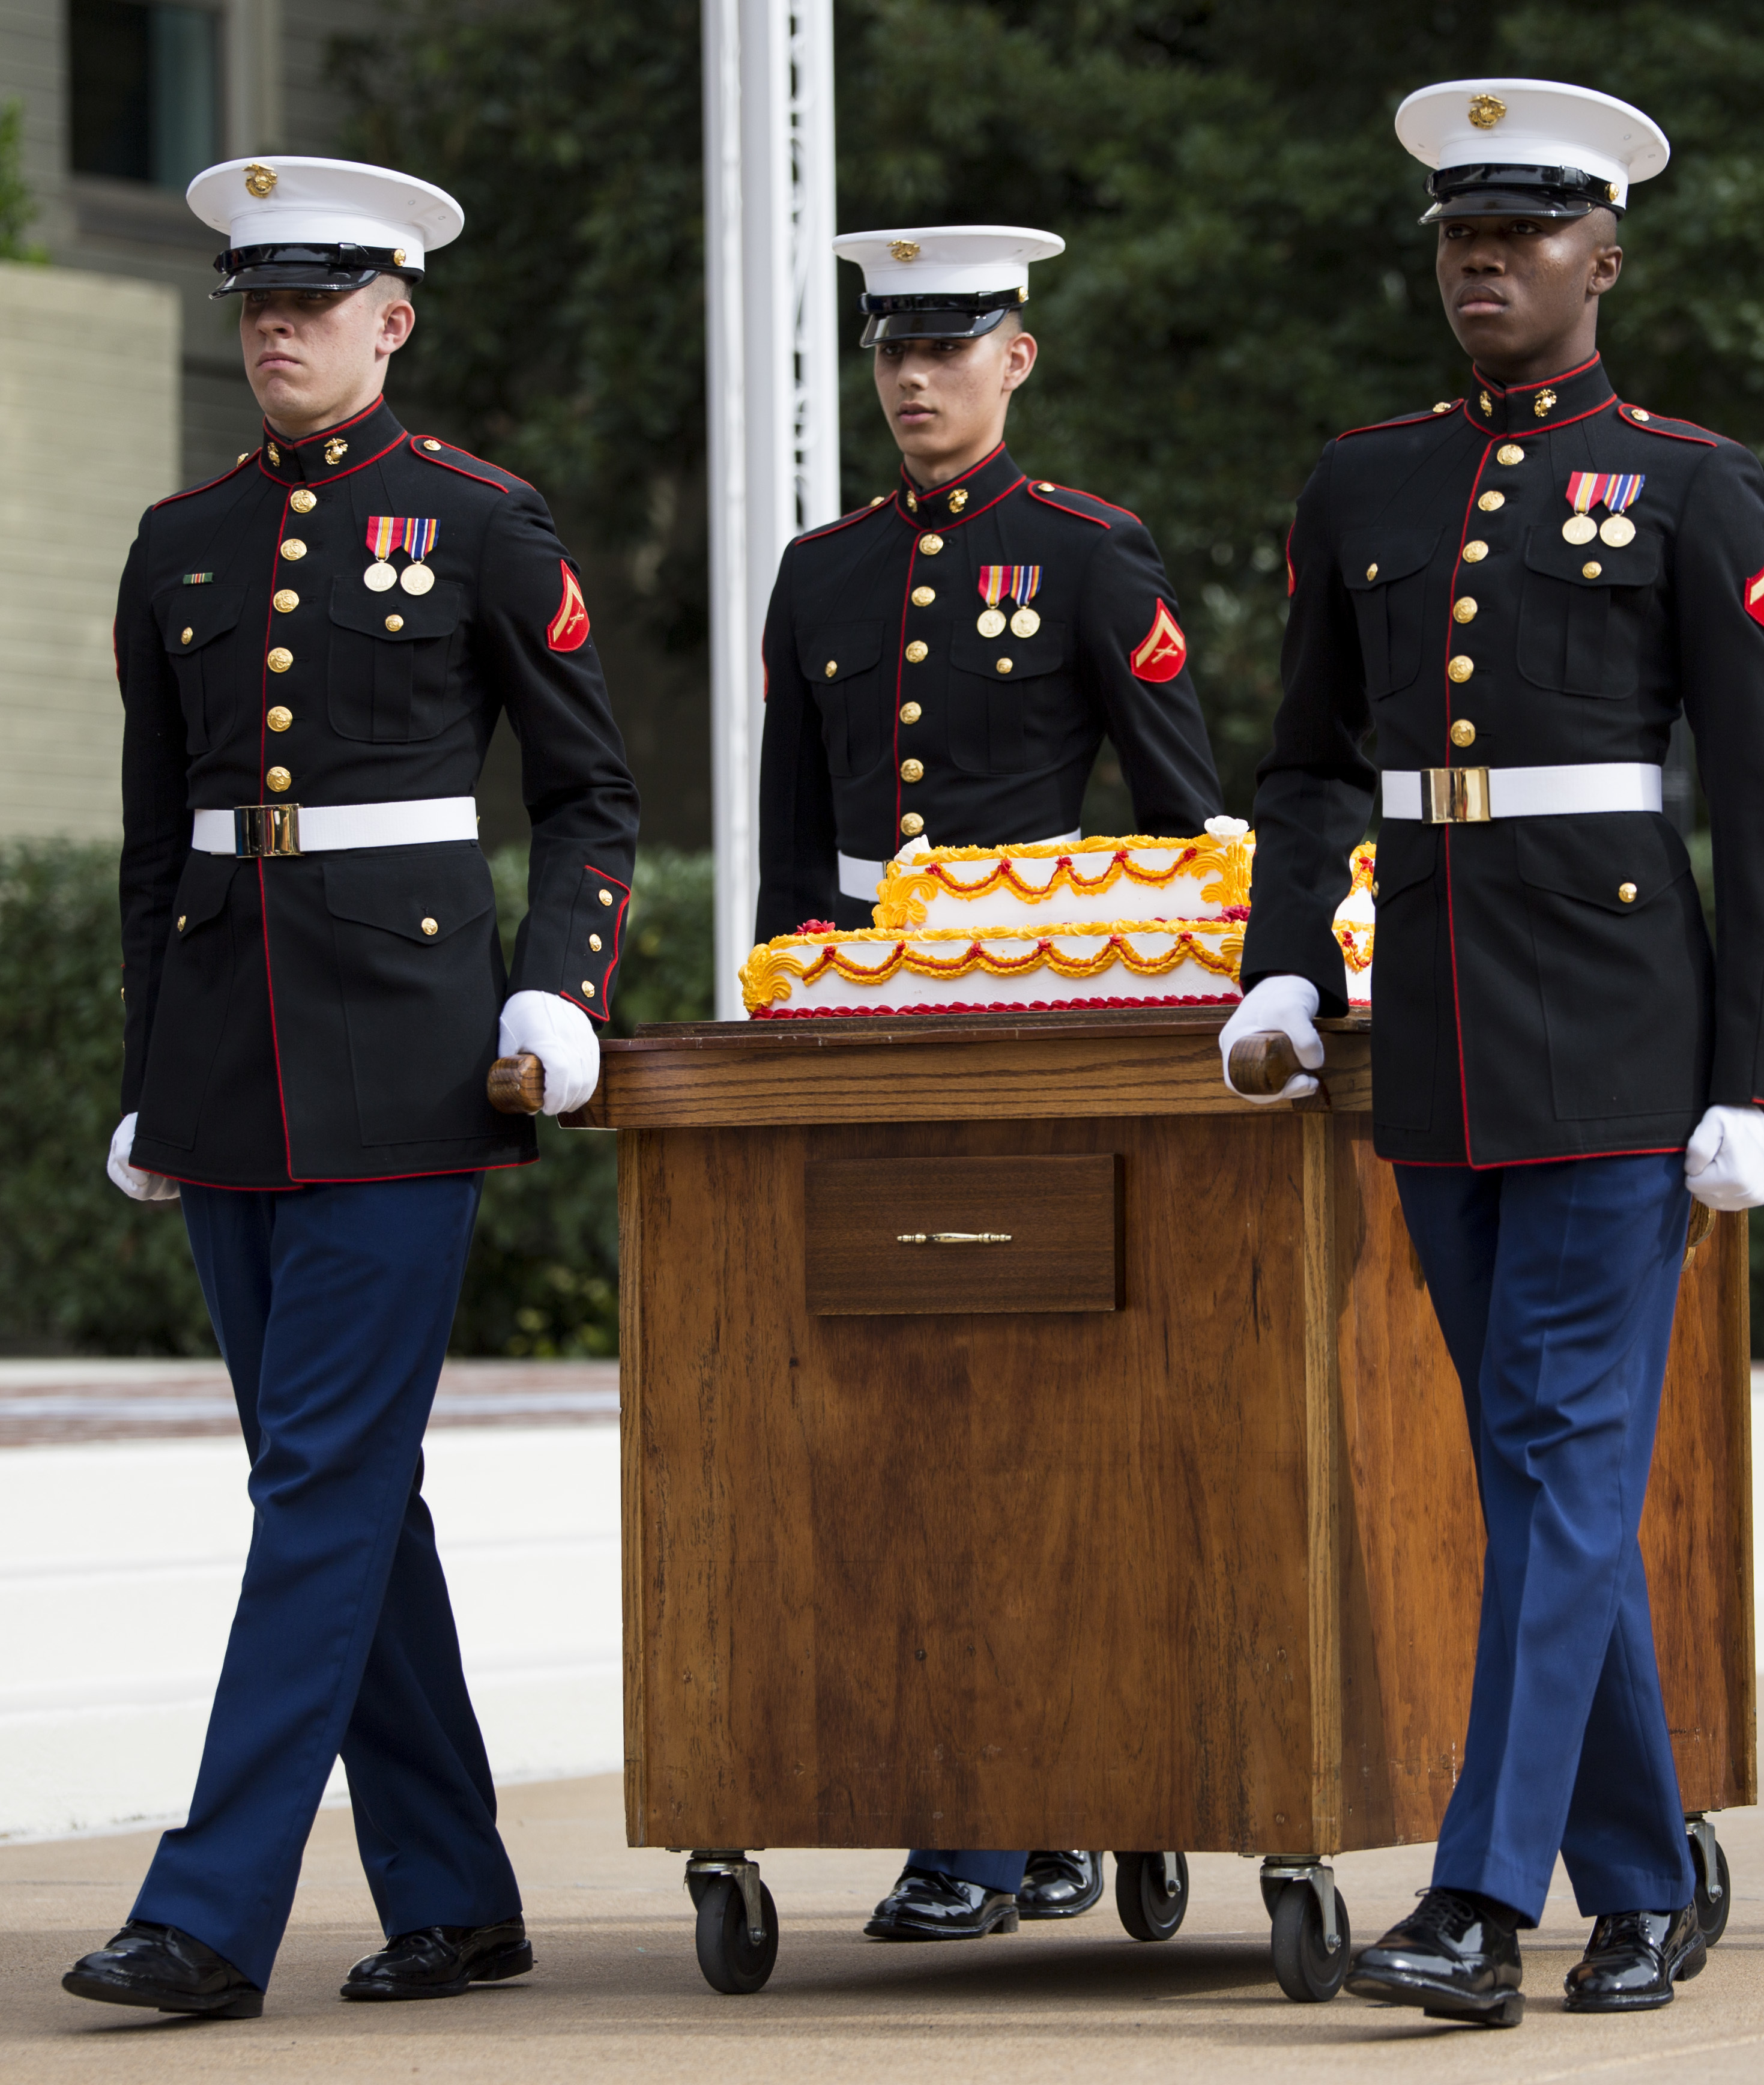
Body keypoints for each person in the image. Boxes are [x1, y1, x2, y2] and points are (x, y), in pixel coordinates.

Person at [1222, 80, 1764, 2026]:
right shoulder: (1363, 482)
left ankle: (1483, 1901)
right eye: (1460, 234)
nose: (1484, 261)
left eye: (1526, 232)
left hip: (1626, 1033)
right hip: (1444, 1034)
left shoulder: (1689, 482)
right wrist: (1290, 968)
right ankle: (1647, 1878)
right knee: (1536, 1475)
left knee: (1561, 1459)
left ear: (1604, 258)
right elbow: (1308, 763)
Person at [64, 155, 639, 2019]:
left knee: (316, 1483)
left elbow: (592, 798)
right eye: (256, 302)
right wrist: (150, 1072)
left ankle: (210, 1913)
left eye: (314, 302)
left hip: (406, 1064)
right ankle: (458, 1896)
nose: (279, 330)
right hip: (229, 1069)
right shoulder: (179, 540)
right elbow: (155, 844)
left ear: (393, 318)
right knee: (345, 1493)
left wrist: (557, 989)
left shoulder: (482, 519)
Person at [755, 224, 1225, 1944]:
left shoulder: (1092, 557)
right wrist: (782, 1053)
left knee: (1050, 1431)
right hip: (875, 1041)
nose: (913, 376)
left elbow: (1190, 835)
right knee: (903, 1427)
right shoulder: (818, 575)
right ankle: (994, 1817)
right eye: (892, 346)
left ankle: (1015, 1811)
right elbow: (795, 863)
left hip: (1046, 1037)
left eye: (950, 345)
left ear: (1017, 359)